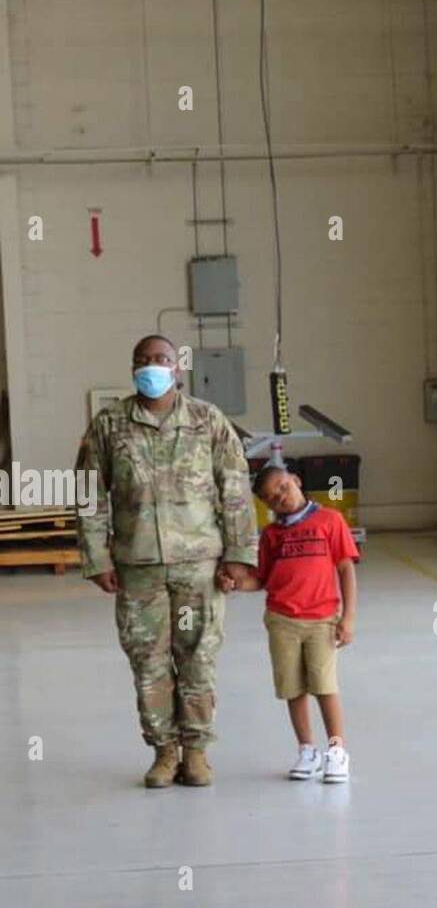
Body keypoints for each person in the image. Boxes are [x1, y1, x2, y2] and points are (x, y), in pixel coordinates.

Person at [76, 335, 258, 788]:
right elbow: (89, 495)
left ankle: (196, 753)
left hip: (199, 564)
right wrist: (96, 556)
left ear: (178, 366)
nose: (151, 366)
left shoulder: (207, 420)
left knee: (198, 657)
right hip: (139, 566)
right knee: (148, 661)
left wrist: (239, 555)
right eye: (142, 360)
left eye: (160, 359)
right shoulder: (110, 424)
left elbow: (235, 489)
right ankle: (163, 752)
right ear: (132, 367)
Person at [220, 464, 358, 782]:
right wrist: (236, 584)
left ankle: (336, 750)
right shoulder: (271, 535)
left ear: (296, 480)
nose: (280, 497)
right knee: (292, 688)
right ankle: (306, 749)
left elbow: (346, 569)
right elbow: (263, 579)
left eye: (283, 487)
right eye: (271, 498)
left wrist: (348, 618)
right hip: (282, 621)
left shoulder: (330, 520)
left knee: (324, 685)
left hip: (322, 620)